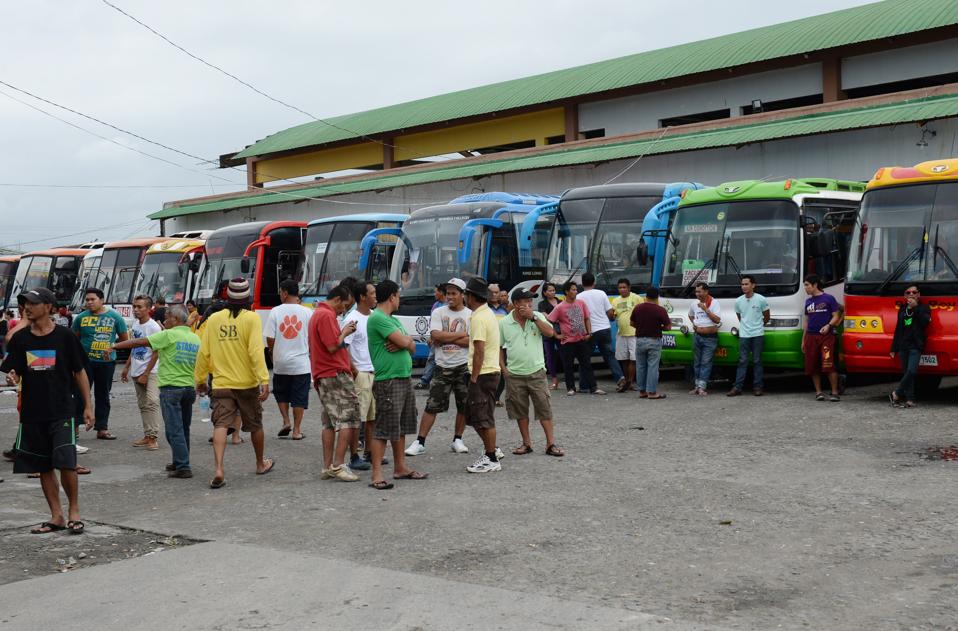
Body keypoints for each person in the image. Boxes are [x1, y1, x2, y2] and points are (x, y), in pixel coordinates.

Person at [2, 287, 93, 534]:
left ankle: (74, 511)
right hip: (32, 413)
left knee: (66, 463)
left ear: (48, 306)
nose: (27, 307)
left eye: (32, 303)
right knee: (43, 466)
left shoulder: (65, 336)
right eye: (24, 304)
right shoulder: (21, 339)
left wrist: (88, 406)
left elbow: (79, 372)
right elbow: (15, 371)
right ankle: (56, 516)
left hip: (62, 410)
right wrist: (12, 378)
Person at [194, 278, 274, 489]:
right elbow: (256, 351)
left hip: (221, 383)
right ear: (248, 298)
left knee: (220, 424)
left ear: (227, 297)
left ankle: (219, 469)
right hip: (246, 383)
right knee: (255, 424)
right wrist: (264, 379)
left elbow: (204, 352)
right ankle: (259, 463)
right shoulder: (252, 319)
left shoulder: (214, 319)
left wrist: (200, 380)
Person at [112, 305, 200, 478]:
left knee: (173, 430)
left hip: (171, 388)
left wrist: (115, 346)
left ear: (175, 319)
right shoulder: (194, 338)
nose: (164, 321)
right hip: (189, 388)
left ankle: (183, 467)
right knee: (183, 428)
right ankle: (179, 460)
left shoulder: (168, 335)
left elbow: (139, 342)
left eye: (166, 318)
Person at [367, 280, 427, 489]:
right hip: (388, 380)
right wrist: (405, 342)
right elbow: (405, 343)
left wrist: (406, 342)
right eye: (399, 296)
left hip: (403, 377)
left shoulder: (393, 320)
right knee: (384, 428)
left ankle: (400, 467)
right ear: (392, 296)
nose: (399, 300)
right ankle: (376, 474)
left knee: (400, 426)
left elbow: (411, 346)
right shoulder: (377, 318)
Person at [406, 278, 472, 457]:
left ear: (462, 295)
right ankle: (420, 441)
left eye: (454, 293)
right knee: (432, 406)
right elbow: (435, 335)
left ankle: (457, 439)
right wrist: (460, 334)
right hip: (442, 366)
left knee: (463, 406)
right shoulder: (438, 312)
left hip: (463, 366)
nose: (450, 297)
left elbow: (470, 342)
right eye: (448, 293)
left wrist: (445, 337)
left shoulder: (470, 314)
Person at [307, 284, 362, 482]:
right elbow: (333, 346)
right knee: (348, 417)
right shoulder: (326, 315)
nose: (344, 310)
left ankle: (328, 465)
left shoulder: (317, 314)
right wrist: (346, 332)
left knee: (329, 421)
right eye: (344, 306)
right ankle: (339, 465)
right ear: (337, 299)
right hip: (334, 373)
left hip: (324, 373)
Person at [500, 288, 563, 456]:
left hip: (537, 372)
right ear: (516, 304)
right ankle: (526, 443)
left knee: (544, 409)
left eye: (530, 301)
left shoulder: (538, 317)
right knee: (520, 412)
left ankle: (551, 444)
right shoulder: (504, 322)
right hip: (514, 374)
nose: (529, 304)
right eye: (525, 301)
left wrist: (533, 317)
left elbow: (551, 333)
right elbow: (498, 347)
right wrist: (504, 370)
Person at [72, 287, 129, 438]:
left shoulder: (115, 317)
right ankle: (75, 427)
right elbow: (73, 340)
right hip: (84, 364)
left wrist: (113, 346)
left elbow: (125, 339)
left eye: (93, 299)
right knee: (80, 394)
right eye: (87, 300)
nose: (89, 303)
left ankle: (102, 428)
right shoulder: (80, 318)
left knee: (103, 395)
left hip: (106, 362)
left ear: (102, 300)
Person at [463, 277, 504, 473]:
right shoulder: (485, 313)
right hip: (486, 371)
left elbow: (479, 350)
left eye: (465, 294)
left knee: (484, 417)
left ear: (471, 296)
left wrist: (473, 377)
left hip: (483, 373)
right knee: (474, 416)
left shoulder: (479, 317)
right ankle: (492, 450)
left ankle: (491, 457)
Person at [265, 279, 313, 440]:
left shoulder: (275, 311)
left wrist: (273, 352)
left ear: (285, 293)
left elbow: (270, 338)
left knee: (281, 393)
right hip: (301, 364)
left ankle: (286, 421)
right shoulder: (307, 312)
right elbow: (312, 337)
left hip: (281, 362)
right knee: (299, 396)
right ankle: (297, 430)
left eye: (280, 292)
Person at [343, 281, 377, 471]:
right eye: (372, 293)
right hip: (361, 373)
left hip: (375, 372)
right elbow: (344, 348)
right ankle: (354, 455)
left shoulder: (374, 316)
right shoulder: (351, 319)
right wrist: (354, 371)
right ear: (362, 297)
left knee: (372, 417)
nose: (375, 296)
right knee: (358, 418)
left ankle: (370, 453)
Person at [547, 281, 602, 396]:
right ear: (567, 292)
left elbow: (587, 318)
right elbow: (549, 321)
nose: (575, 292)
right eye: (573, 290)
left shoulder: (581, 303)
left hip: (582, 340)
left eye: (576, 290)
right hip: (568, 342)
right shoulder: (560, 307)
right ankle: (571, 388)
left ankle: (594, 387)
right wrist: (557, 335)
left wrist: (589, 333)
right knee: (568, 366)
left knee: (586, 364)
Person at [122, 295, 162, 450]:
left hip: (151, 371)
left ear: (149, 308)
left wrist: (146, 373)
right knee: (143, 405)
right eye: (134, 306)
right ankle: (147, 434)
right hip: (137, 370)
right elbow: (134, 346)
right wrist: (126, 367)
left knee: (152, 402)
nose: (136, 310)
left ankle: (153, 437)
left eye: (139, 307)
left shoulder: (153, 327)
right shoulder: (136, 324)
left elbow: (156, 352)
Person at [578, 273, 626, 392]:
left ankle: (584, 385)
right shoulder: (601, 293)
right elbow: (610, 312)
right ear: (594, 282)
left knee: (585, 358)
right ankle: (620, 378)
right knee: (609, 355)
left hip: (590, 331)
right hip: (605, 328)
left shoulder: (579, 297)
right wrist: (611, 319)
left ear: (582, 283)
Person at [801, 274, 842, 402]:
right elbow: (806, 322)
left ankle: (835, 392)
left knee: (828, 363)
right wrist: (803, 340)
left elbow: (836, 315)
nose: (805, 288)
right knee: (813, 366)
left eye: (807, 285)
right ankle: (818, 392)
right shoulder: (808, 302)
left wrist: (828, 325)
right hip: (811, 337)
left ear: (815, 285)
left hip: (826, 337)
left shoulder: (829, 299)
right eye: (805, 286)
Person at [889, 285, 931, 408]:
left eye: (914, 292)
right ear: (905, 295)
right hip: (903, 345)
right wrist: (893, 348)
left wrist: (915, 308)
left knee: (912, 371)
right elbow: (898, 329)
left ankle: (896, 393)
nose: (911, 294)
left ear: (918, 295)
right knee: (906, 373)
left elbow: (925, 322)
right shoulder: (902, 309)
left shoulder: (923, 308)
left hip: (915, 345)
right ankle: (910, 399)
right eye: (908, 292)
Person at [728, 275, 770, 397]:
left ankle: (758, 387)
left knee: (757, 361)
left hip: (758, 334)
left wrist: (758, 325)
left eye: (746, 284)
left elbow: (766, 317)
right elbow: (740, 317)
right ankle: (737, 387)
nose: (744, 286)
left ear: (753, 285)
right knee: (742, 361)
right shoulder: (738, 301)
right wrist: (746, 327)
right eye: (742, 284)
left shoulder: (761, 299)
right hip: (744, 335)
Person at [629, 286, 671, 399]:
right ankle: (652, 392)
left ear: (645, 296)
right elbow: (668, 327)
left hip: (640, 340)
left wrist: (642, 326)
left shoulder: (638, 308)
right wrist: (658, 327)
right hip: (654, 340)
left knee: (641, 366)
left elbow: (631, 323)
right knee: (653, 366)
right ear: (657, 297)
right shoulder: (660, 310)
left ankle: (642, 391)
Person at [688, 282, 721, 396]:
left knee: (705, 362)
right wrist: (695, 323)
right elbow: (690, 315)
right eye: (696, 291)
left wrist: (705, 309)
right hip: (697, 336)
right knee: (696, 362)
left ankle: (702, 387)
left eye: (699, 291)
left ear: (706, 292)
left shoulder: (714, 303)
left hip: (710, 338)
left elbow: (717, 320)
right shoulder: (694, 303)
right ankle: (696, 386)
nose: (697, 294)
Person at [611, 278, 643, 392]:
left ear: (629, 288)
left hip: (634, 333)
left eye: (624, 287)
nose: (622, 289)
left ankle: (630, 382)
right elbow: (612, 316)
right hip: (621, 334)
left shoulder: (637, 298)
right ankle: (626, 382)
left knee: (633, 359)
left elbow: (643, 312)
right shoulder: (615, 301)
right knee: (623, 359)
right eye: (620, 287)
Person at [415, 284, 447, 390]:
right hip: (436, 337)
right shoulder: (435, 305)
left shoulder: (449, 305)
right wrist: (431, 336)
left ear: (442, 293)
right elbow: (432, 322)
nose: (434, 294)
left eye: (436, 292)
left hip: (447, 337)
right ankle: (425, 381)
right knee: (432, 358)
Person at [538, 282, 561, 390]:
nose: (552, 292)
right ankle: (554, 380)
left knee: (565, 354)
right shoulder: (542, 304)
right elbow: (546, 317)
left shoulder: (561, 301)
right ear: (545, 293)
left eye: (553, 290)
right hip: (548, 332)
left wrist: (555, 318)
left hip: (561, 332)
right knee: (550, 357)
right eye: (550, 290)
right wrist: (555, 318)